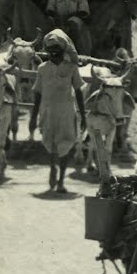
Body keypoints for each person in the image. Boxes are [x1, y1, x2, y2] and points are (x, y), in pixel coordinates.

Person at [29, 29, 86, 194]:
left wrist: (83, 115)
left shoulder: (72, 68)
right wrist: (33, 118)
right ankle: (52, 167)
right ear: (47, 51)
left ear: (63, 50)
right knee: (50, 143)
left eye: (57, 48)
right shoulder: (42, 68)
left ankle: (61, 179)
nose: (54, 51)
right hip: (46, 113)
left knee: (66, 144)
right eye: (51, 48)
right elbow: (38, 93)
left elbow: (79, 91)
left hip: (66, 113)